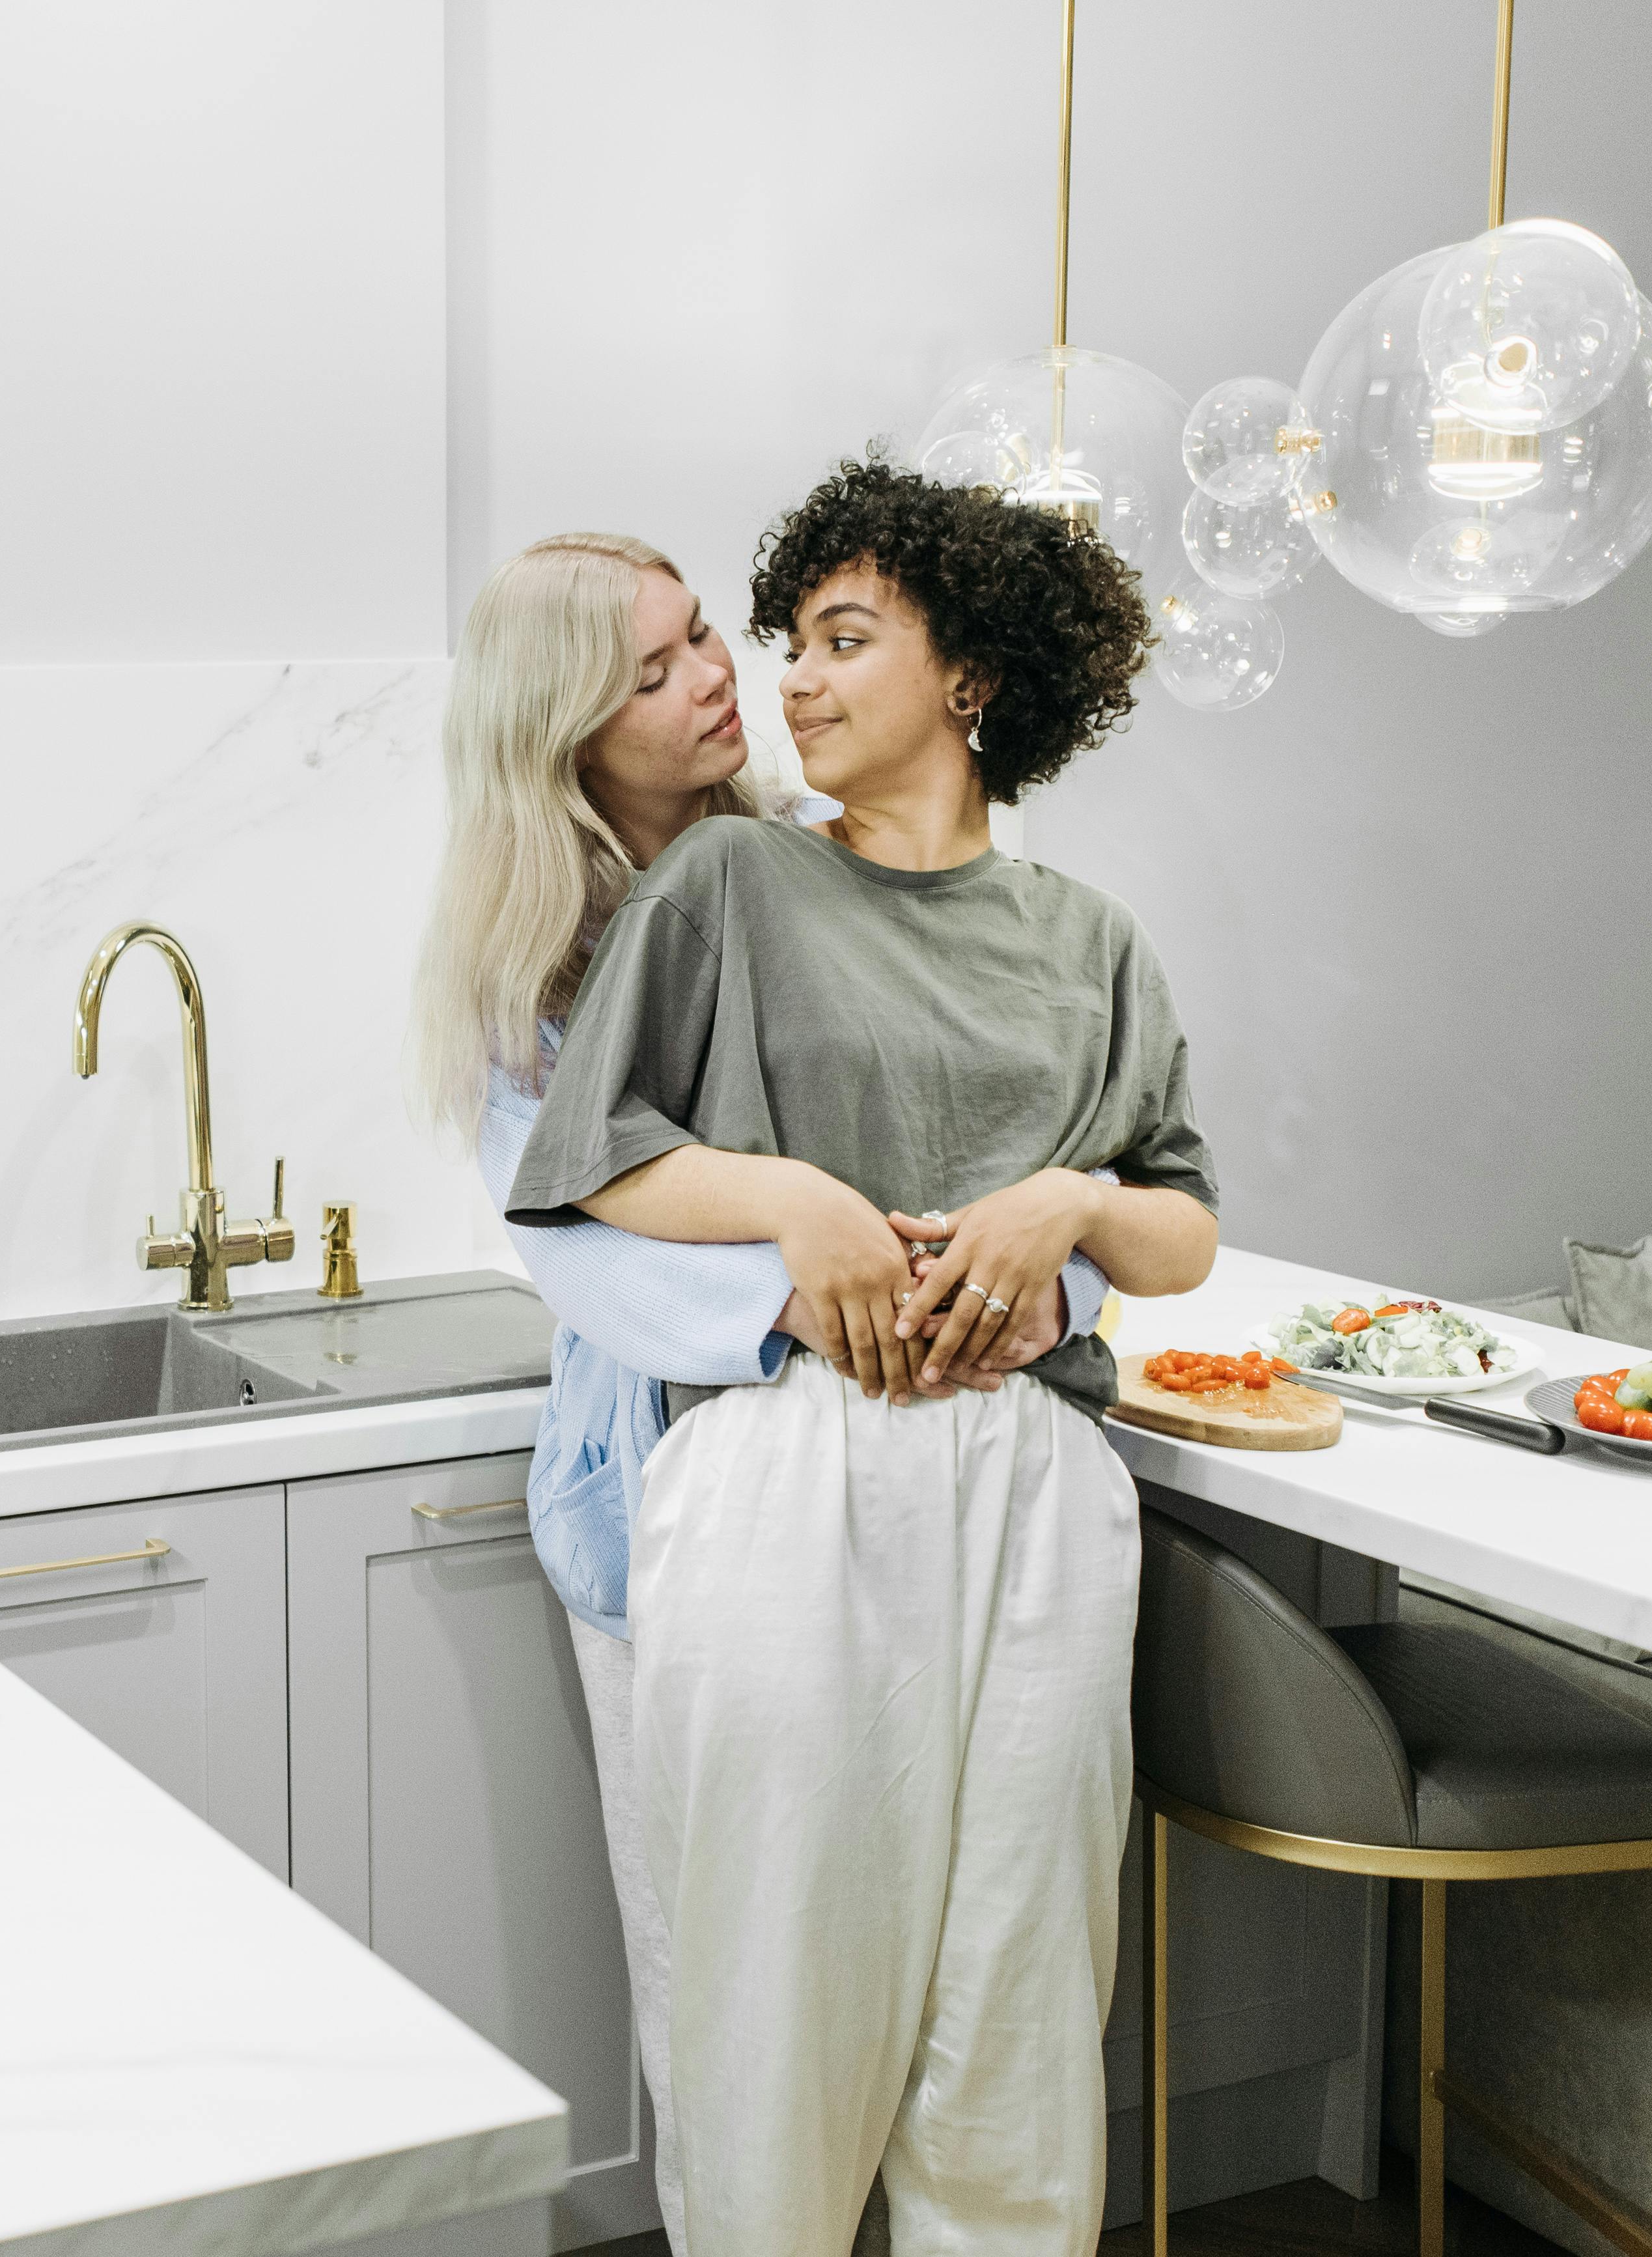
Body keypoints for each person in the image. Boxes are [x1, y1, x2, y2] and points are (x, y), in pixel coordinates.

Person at [501, 458, 1218, 2257]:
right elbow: (583, 1170)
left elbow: (1184, 1230)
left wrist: (1069, 1201)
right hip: (787, 1461)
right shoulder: (729, 885)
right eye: (790, 643)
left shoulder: (1092, 942)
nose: (788, 682)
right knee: (774, 2015)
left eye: (842, 640)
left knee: (1019, 2004)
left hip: (1040, 1483)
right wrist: (798, 1203)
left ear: (967, 675)